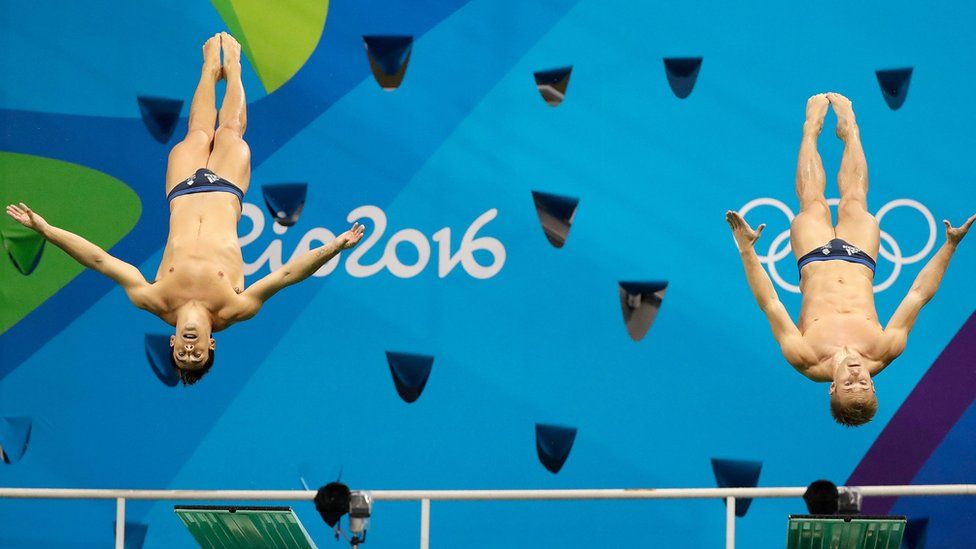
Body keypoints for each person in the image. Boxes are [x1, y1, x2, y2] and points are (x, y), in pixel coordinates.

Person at [5, 33, 365, 385]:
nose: (189, 353)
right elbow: (287, 275)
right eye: (198, 355)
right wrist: (335, 245)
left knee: (196, 132)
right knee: (229, 133)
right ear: (211, 344)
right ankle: (236, 68)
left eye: (182, 355)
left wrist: (46, 230)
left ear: (173, 343)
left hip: (181, 192)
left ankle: (210, 68)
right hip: (226, 188)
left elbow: (99, 261)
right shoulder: (235, 308)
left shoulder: (154, 299)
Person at [725, 92, 974, 426]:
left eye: (849, 384)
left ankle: (810, 130)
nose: (857, 375)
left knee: (812, 203)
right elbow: (918, 295)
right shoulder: (885, 349)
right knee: (855, 201)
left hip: (813, 259)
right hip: (861, 260)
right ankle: (850, 130)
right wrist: (950, 246)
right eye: (865, 383)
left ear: (832, 388)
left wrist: (746, 249)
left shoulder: (805, 358)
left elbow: (769, 303)